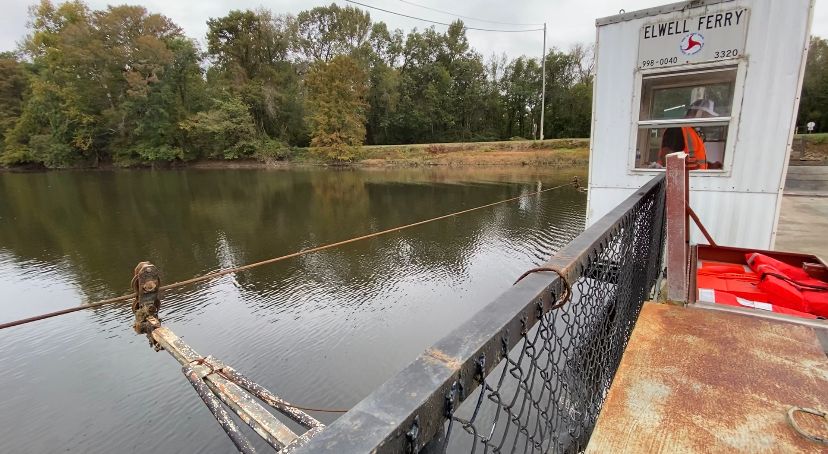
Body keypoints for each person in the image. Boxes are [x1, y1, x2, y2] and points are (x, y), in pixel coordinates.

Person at [659, 98, 717, 170]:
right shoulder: (677, 129)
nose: (708, 120)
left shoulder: (693, 131)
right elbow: (667, 158)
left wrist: (711, 166)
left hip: (696, 179)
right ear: (698, 112)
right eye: (706, 115)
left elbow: (695, 161)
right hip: (684, 179)